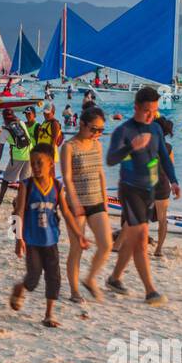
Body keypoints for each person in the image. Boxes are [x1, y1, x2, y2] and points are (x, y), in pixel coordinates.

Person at [106, 86, 179, 306]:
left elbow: (164, 157)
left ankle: (115, 277)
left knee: (136, 236)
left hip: (150, 189)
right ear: (136, 107)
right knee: (141, 237)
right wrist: (130, 148)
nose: (150, 115)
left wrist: (174, 181)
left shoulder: (156, 130)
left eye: (154, 111)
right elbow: (111, 159)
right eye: (147, 110)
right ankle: (150, 290)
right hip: (130, 189)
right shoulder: (124, 130)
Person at [10, 143, 81, 327]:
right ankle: (21, 288)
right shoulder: (26, 186)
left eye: (39, 163)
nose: (35, 167)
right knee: (33, 277)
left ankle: (49, 314)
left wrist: (79, 235)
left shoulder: (57, 187)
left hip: (51, 240)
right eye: (32, 163)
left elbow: (65, 212)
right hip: (32, 240)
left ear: (51, 164)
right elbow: (18, 212)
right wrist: (18, 239)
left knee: (53, 277)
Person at [60, 106, 111, 301]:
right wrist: (74, 201)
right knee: (76, 248)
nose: (97, 133)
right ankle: (74, 291)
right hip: (76, 204)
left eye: (100, 130)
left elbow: (100, 173)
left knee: (106, 244)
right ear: (81, 124)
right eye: (94, 129)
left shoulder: (97, 145)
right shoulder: (69, 147)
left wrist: (105, 202)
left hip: (96, 201)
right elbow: (66, 177)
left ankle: (90, 279)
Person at [0, 108, 33, 205]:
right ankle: (21, 201)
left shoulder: (5, 131)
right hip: (30, 154)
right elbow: (28, 139)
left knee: (6, 178)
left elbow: (0, 151)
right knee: (24, 181)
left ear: (3, 117)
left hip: (17, 156)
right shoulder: (22, 123)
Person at [152, 116, 176, 257]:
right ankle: (159, 249)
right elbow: (170, 168)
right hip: (162, 185)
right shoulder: (168, 147)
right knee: (162, 218)